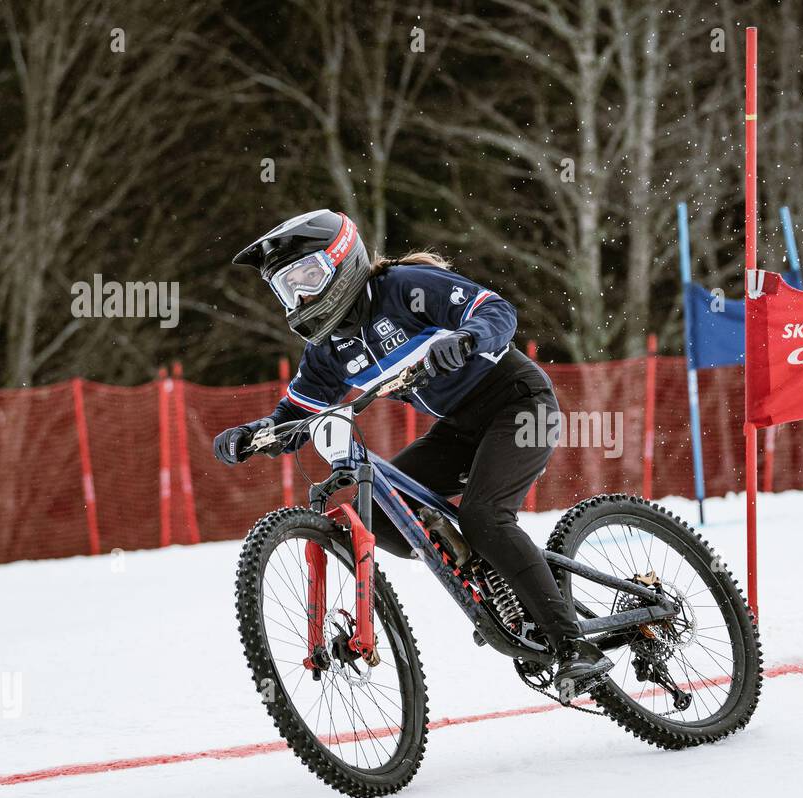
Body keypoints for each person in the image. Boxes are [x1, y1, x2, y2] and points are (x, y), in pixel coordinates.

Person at [212, 209, 611, 690]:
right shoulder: (328, 350)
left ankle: (573, 648)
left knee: (485, 518)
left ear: (341, 260)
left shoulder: (405, 288)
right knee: (385, 516)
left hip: (519, 406)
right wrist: (254, 434)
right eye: (288, 288)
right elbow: (297, 412)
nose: (302, 296)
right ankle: (501, 582)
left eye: (309, 277)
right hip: (458, 429)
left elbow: (497, 311)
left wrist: (466, 339)